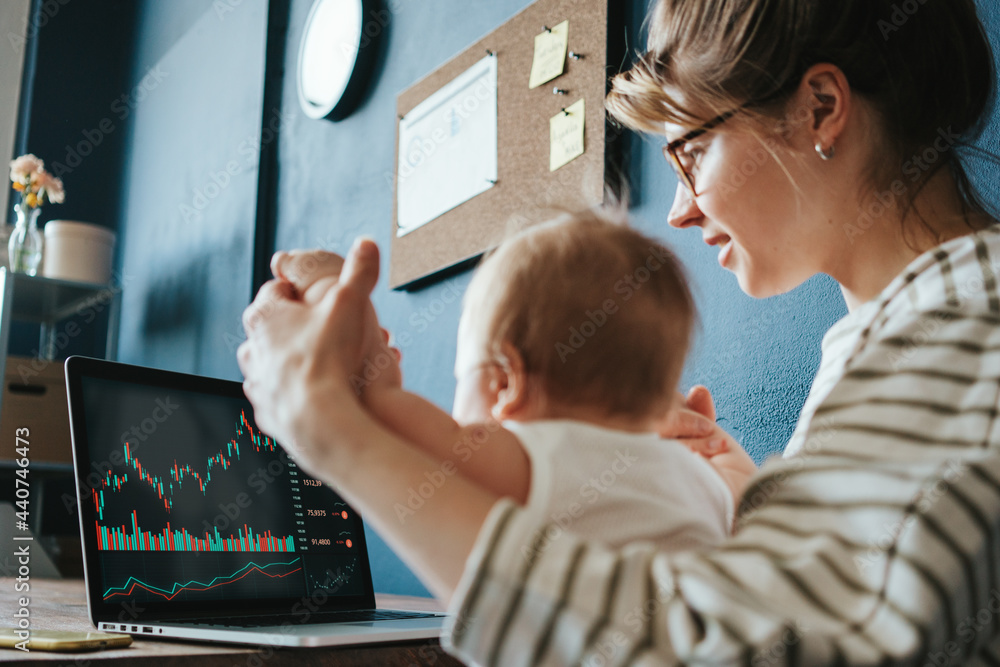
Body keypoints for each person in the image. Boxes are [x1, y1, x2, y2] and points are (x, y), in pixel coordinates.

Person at [238, 0, 1000, 663]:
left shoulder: (961, 322)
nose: (678, 210)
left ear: (821, 108)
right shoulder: (913, 334)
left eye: (693, 151)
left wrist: (331, 429)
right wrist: (756, 507)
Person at [344, 210, 739, 553]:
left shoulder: (542, 455)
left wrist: (368, 363)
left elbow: (413, 439)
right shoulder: (704, 479)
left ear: (505, 384)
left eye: (462, 376)